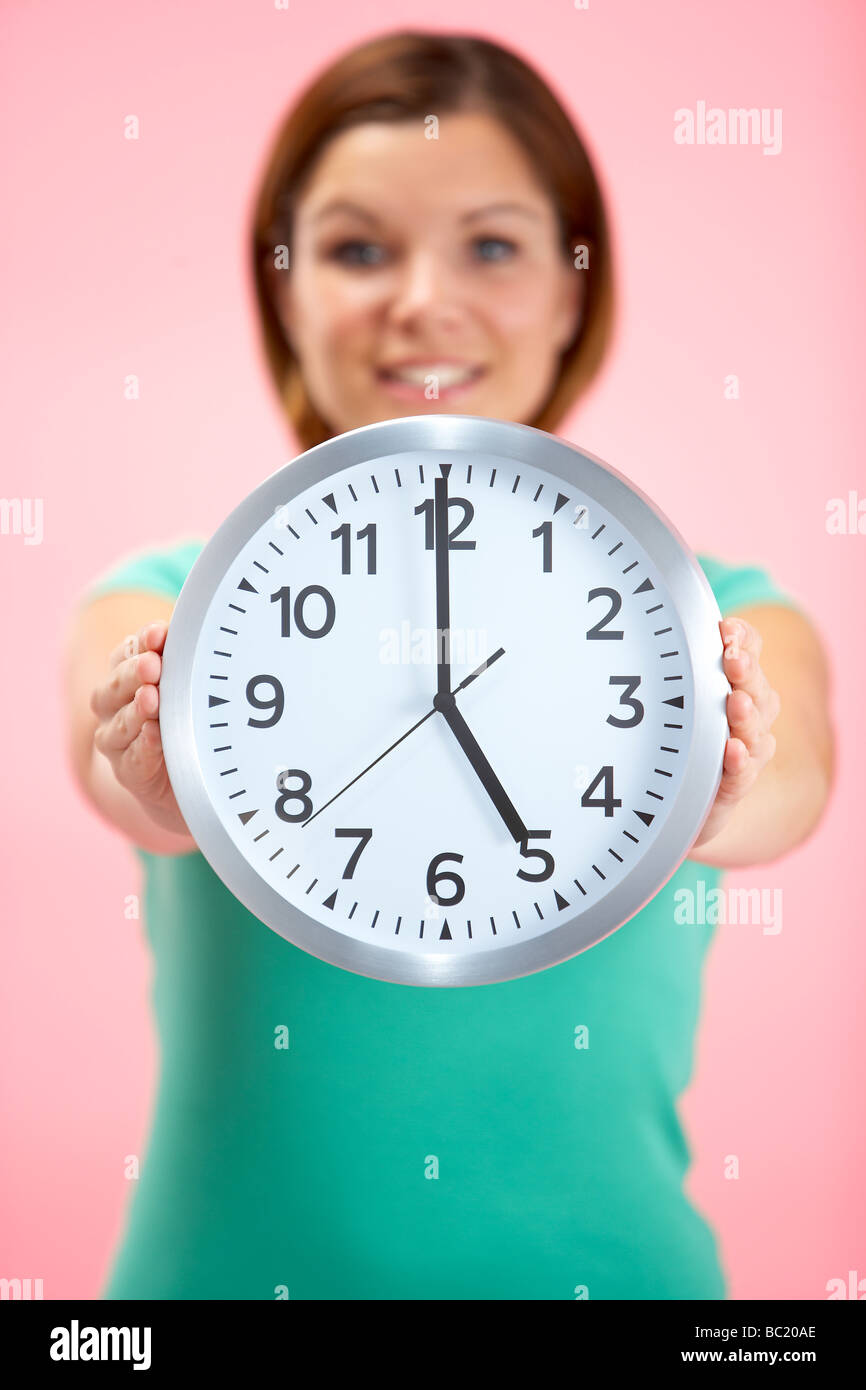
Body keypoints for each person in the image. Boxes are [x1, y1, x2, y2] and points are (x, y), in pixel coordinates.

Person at [63, 31, 834, 1300]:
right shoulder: (163, 595)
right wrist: (157, 775)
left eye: (491, 244)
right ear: (284, 293)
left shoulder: (720, 611)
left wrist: (716, 780)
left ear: (573, 289)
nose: (420, 301)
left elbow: (793, 774)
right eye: (357, 249)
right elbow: (107, 766)